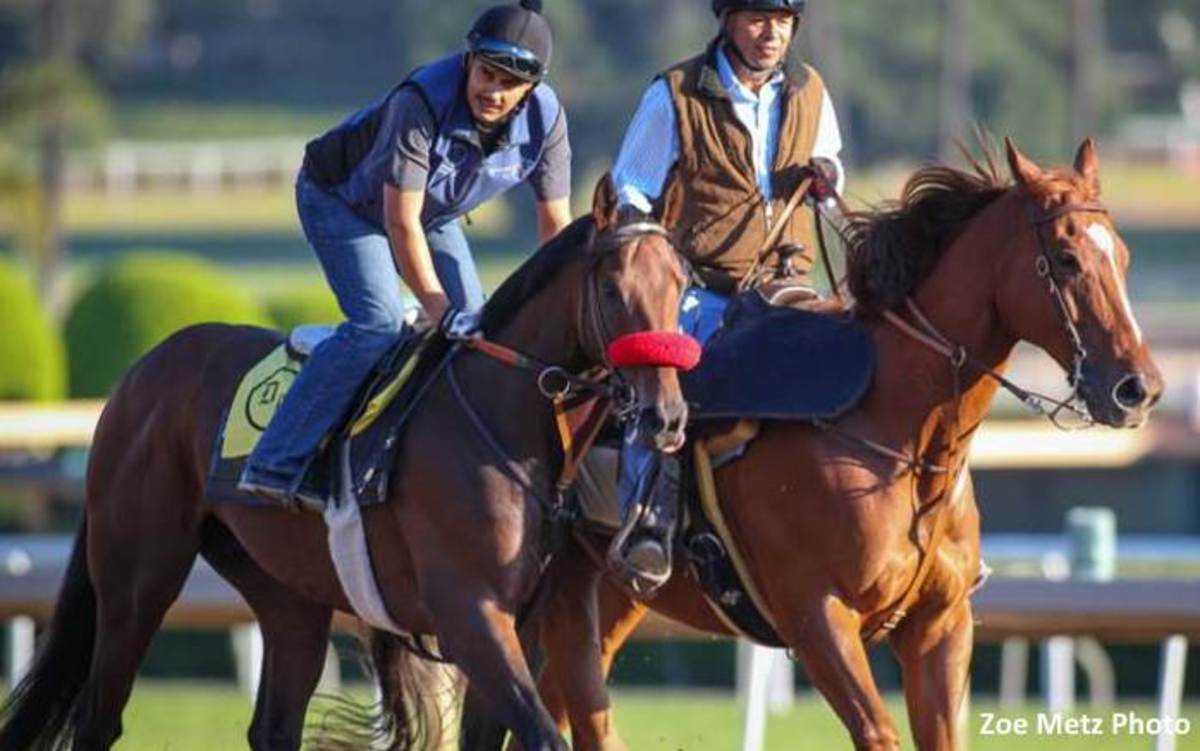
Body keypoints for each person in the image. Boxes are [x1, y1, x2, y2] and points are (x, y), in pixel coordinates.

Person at [238, 0, 573, 508]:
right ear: (468, 61)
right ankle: (275, 461)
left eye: (509, 84)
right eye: (486, 73)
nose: (493, 92)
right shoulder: (421, 102)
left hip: (428, 217)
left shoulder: (548, 121)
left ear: (532, 89)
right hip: (341, 202)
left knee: (481, 335)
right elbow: (399, 222)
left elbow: (556, 231)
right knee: (381, 325)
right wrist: (440, 311)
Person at [607, 0, 845, 592]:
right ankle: (648, 525)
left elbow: (832, 170)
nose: (772, 34)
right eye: (759, 18)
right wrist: (651, 265)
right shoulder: (674, 94)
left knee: (851, 372)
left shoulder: (811, 90)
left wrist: (826, 179)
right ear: (728, 20)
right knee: (664, 393)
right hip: (699, 289)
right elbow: (630, 192)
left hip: (785, 283)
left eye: (784, 21)